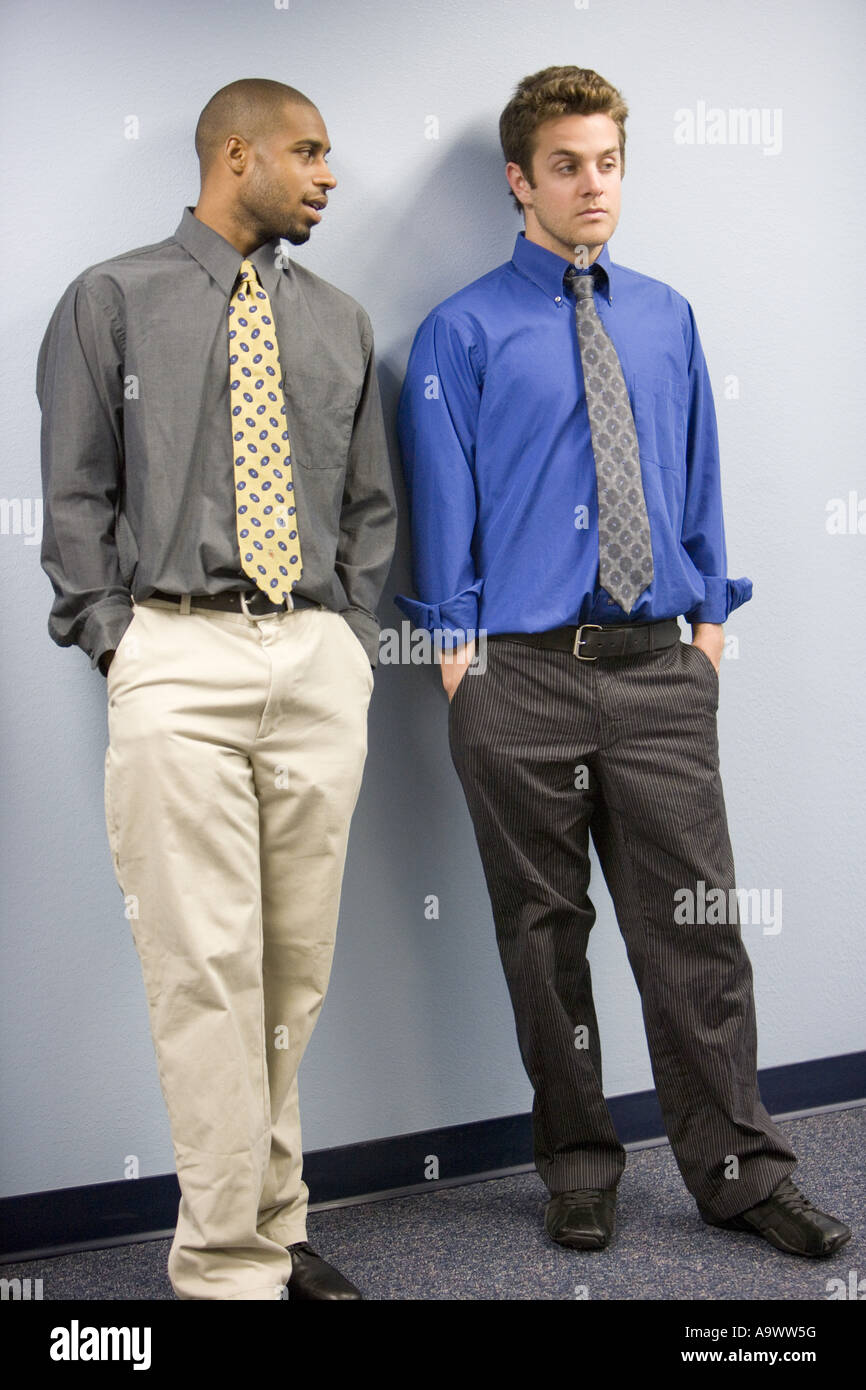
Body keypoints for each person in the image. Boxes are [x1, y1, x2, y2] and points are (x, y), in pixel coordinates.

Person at [396, 65, 849, 1260]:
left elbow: (695, 474)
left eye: (605, 162)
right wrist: (460, 663)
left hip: (659, 674)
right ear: (519, 179)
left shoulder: (664, 314)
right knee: (543, 937)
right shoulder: (461, 329)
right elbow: (442, 513)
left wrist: (704, 631)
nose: (590, 185)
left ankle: (739, 1170)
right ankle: (578, 1165)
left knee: (693, 926)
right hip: (519, 681)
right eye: (564, 165)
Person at [37, 78, 396, 1300]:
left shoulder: (339, 319)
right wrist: (115, 638)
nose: (328, 174)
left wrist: (344, 636)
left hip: (312, 658)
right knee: (205, 968)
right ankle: (226, 1268)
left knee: (290, 969)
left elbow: (368, 505)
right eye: (307, 151)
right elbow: (74, 495)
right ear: (233, 154)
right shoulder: (111, 299)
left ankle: (274, 1224)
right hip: (173, 656)